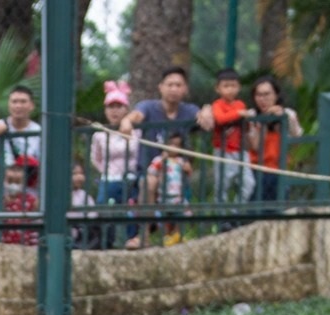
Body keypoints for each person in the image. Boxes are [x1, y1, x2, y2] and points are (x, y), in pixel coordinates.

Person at [122, 67, 200, 248]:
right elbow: (136, 115)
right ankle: (144, 236)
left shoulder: (189, 111)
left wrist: (206, 113)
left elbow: (203, 118)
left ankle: (177, 236)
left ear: (185, 89)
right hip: (150, 171)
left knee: (178, 202)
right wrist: (127, 121)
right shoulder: (148, 107)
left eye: (178, 85)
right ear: (161, 87)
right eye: (170, 84)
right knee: (147, 184)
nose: (173, 88)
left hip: (177, 175)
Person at [88, 81, 136, 247]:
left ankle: (131, 242)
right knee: (104, 213)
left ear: (126, 109)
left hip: (131, 179)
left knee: (131, 212)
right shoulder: (99, 135)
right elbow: (95, 159)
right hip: (109, 180)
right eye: (111, 107)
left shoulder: (137, 131)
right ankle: (104, 244)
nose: (114, 111)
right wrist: (108, 171)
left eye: (119, 106)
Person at [245, 75, 302, 204]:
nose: (262, 99)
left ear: (276, 95)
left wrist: (283, 118)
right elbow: (256, 146)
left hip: (281, 169)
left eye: (267, 94)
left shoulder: (288, 113)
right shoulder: (252, 115)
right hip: (257, 170)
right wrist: (265, 120)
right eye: (258, 95)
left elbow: (297, 139)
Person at [206, 69, 250, 207]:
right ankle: (221, 217)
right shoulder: (217, 105)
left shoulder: (240, 104)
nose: (230, 89)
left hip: (241, 151)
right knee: (222, 186)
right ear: (218, 88)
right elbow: (220, 119)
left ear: (239, 87)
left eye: (233, 86)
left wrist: (239, 113)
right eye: (226, 86)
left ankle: (235, 214)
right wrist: (238, 114)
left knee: (248, 184)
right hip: (223, 151)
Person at [141, 129, 191, 245]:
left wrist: (188, 169)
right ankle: (165, 236)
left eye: (177, 145)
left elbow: (188, 174)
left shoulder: (181, 161)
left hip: (178, 197)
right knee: (164, 218)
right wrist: (161, 161)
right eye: (171, 144)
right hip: (163, 196)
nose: (173, 148)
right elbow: (151, 171)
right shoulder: (159, 160)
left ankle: (178, 235)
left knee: (181, 216)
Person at [1, 157, 39, 246]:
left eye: (17, 182)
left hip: (26, 245)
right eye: (10, 181)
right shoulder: (0, 201)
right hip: (5, 246)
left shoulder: (30, 200)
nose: (13, 185)